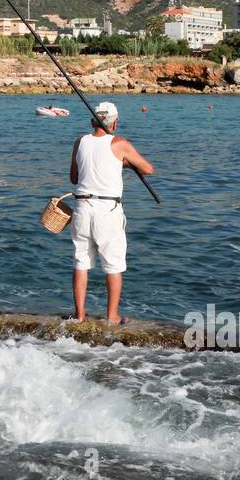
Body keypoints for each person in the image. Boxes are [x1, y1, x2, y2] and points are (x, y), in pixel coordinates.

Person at [68, 101, 153, 326]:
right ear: (113, 122)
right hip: (108, 211)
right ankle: (112, 316)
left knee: (81, 262)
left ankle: (79, 316)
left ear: (94, 121)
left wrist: (117, 163)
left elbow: (74, 178)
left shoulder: (80, 142)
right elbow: (147, 168)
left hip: (82, 209)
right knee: (113, 265)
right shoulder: (119, 143)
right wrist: (123, 162)